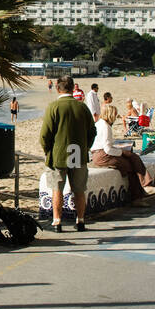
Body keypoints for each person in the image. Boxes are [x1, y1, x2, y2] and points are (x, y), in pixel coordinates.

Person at [40, 74, 97, 232]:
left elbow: (45, 134)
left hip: (59, 154)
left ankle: (57, 221)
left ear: (58, 88)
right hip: (78, 153)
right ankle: (80, 220)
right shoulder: (82, 107)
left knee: (57, 188)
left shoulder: (54, 107)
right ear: (73, 88)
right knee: (79, 189)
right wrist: (86, 147)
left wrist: (48, 151)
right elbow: (92, 131)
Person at [90, 103, 152, 204]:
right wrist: (122, 152)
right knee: (131, 165)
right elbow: (108, 150)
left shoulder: (98, 124)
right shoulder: (106, 127)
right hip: (104, 156)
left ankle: (145, 186)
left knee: (132, 158)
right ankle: (140, 193)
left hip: (97, 155)